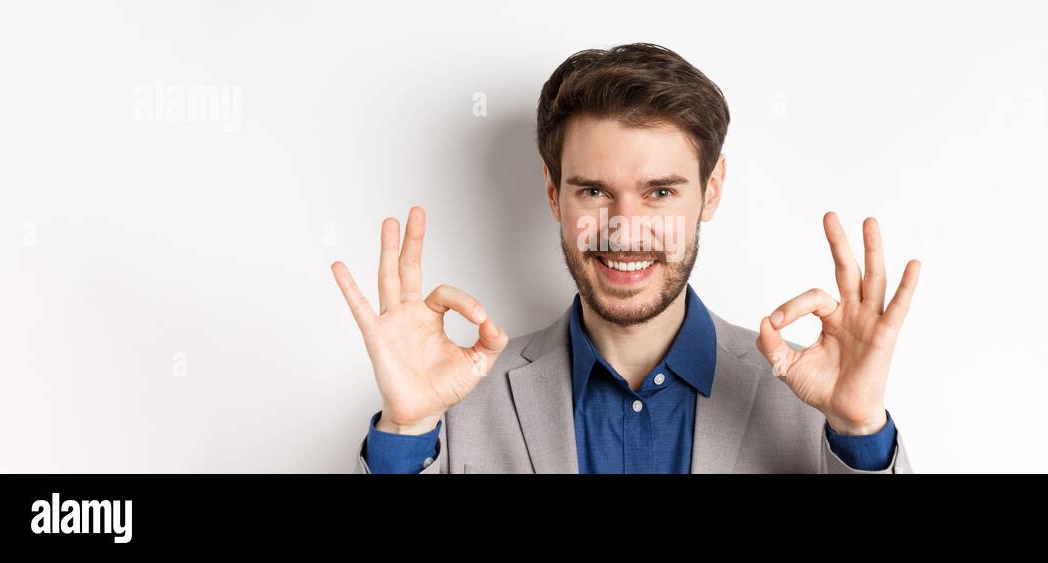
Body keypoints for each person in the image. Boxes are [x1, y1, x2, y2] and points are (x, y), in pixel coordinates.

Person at [330, 43, 921, 474]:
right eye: (593, 191)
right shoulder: (453, 403)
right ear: (552, 192)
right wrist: (406, 432)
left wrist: (861, 432)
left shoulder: (811, 397)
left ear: (710, 191)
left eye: (660, 192)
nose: (625, 229)